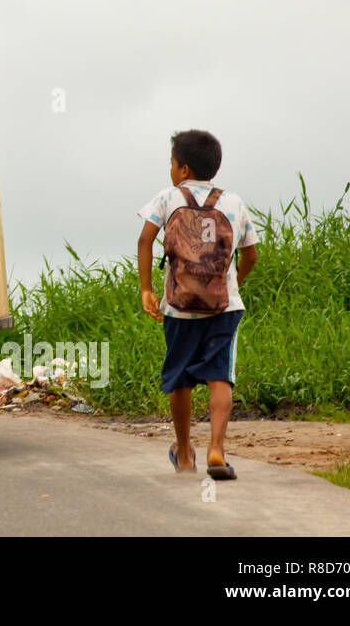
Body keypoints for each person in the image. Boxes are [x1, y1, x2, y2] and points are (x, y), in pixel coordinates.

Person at [137, 129, 259, 481]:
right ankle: (217, 449)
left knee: (181, 379)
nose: (171, 170)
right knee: (221, 376)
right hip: (224, 307)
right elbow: (250, 254)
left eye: (172, 164)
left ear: (183, 168)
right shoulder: (234, 203)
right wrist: (233, 281)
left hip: (178, 308)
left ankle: (186, 452)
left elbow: (145, 240)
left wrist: (147, 289)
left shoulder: (167, 197)